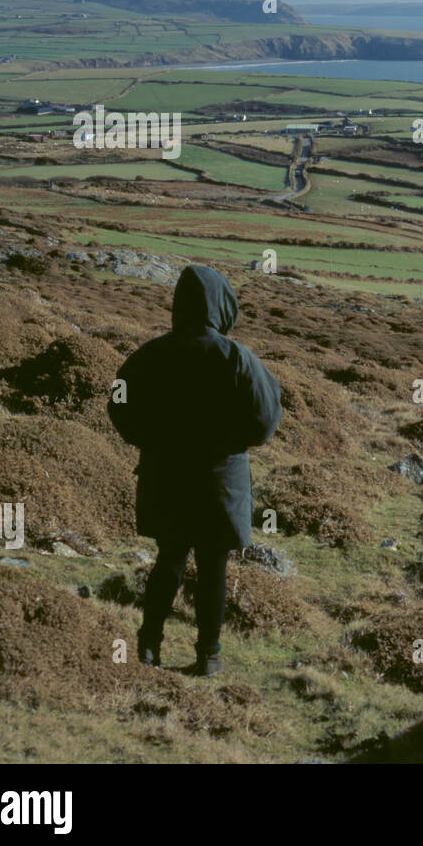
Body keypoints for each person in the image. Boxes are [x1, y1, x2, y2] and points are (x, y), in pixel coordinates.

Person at [108, 264, 282, 676]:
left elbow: (119, 405)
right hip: (220, 481)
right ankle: (210, 656)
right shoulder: (238, 358)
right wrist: (228, 442)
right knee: (213, 568)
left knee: (168, 559)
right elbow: (265, 421)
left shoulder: (148, 355)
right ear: (221, 304)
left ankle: (149, 648)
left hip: (166, 475)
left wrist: (151, 440)